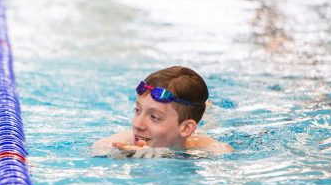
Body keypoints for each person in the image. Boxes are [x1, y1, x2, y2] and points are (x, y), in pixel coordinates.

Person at [92, 66, 232, 158]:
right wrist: (121, 154)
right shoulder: (127, 140)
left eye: (154, 117)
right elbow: (98, 147)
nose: (137, 124)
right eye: (137, 110)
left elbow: (225, 152)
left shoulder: (201, 146)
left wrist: (162, 154)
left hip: (200, 129)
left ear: (185, 128)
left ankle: (208, 107)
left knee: (209, 121)